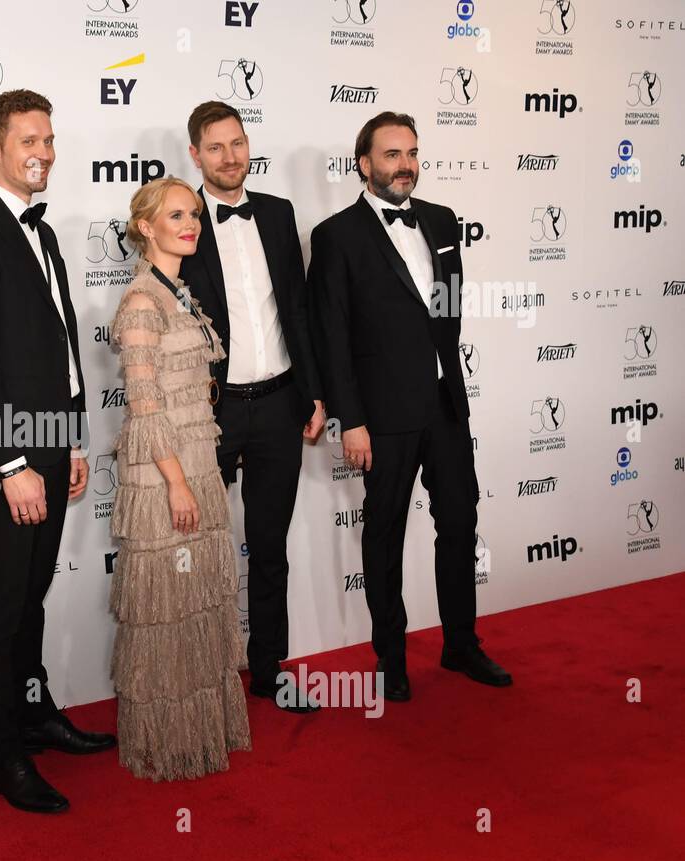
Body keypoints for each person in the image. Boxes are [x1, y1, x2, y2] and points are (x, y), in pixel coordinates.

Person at [0, 89, 115, 815]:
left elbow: (61, 352)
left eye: (48, 138)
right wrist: (11, 464)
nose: (41, 151)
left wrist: (69, 440)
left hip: (49, 439)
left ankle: (35, 713)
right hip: (9, 452)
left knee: (32, 597)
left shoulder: (39, 232)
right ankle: (2, 754)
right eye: (27, 140)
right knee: (5, 602)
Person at [306, 111, 512, 702]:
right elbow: (332, 334)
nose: (406, 165)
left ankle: (461, 644)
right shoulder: (336, 235)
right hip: (382, 416)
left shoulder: (443, 221)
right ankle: (390, 658)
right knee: (386, 535)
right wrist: (353, 420)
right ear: (364, 164)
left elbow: (447, 310)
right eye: (392, 155)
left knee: (460, 522)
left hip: (445, 404)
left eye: (412, 153)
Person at [179, 101, 326, 713]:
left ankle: (269, 669)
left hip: (277, 404)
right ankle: (205, 678)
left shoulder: (278, 212)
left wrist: (316, 392)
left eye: (237, 143)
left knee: (269, 546)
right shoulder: (180, 219)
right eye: (216, 147)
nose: (230, 157)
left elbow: (297, 308)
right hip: (210, 413)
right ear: (195, 155)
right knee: (202, 552)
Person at [109, 177, 251, 780]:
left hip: (195, 461)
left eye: (193, 213)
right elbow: (144, 403)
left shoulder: (179, 291)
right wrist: (175, 483)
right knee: (166, 608)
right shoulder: (143, 301)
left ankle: (198, 735)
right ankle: (166, 744)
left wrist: (192, 475)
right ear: (147, 228)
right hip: (165, 471)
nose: (190, 223)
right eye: (176, 215)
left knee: (193, 604)